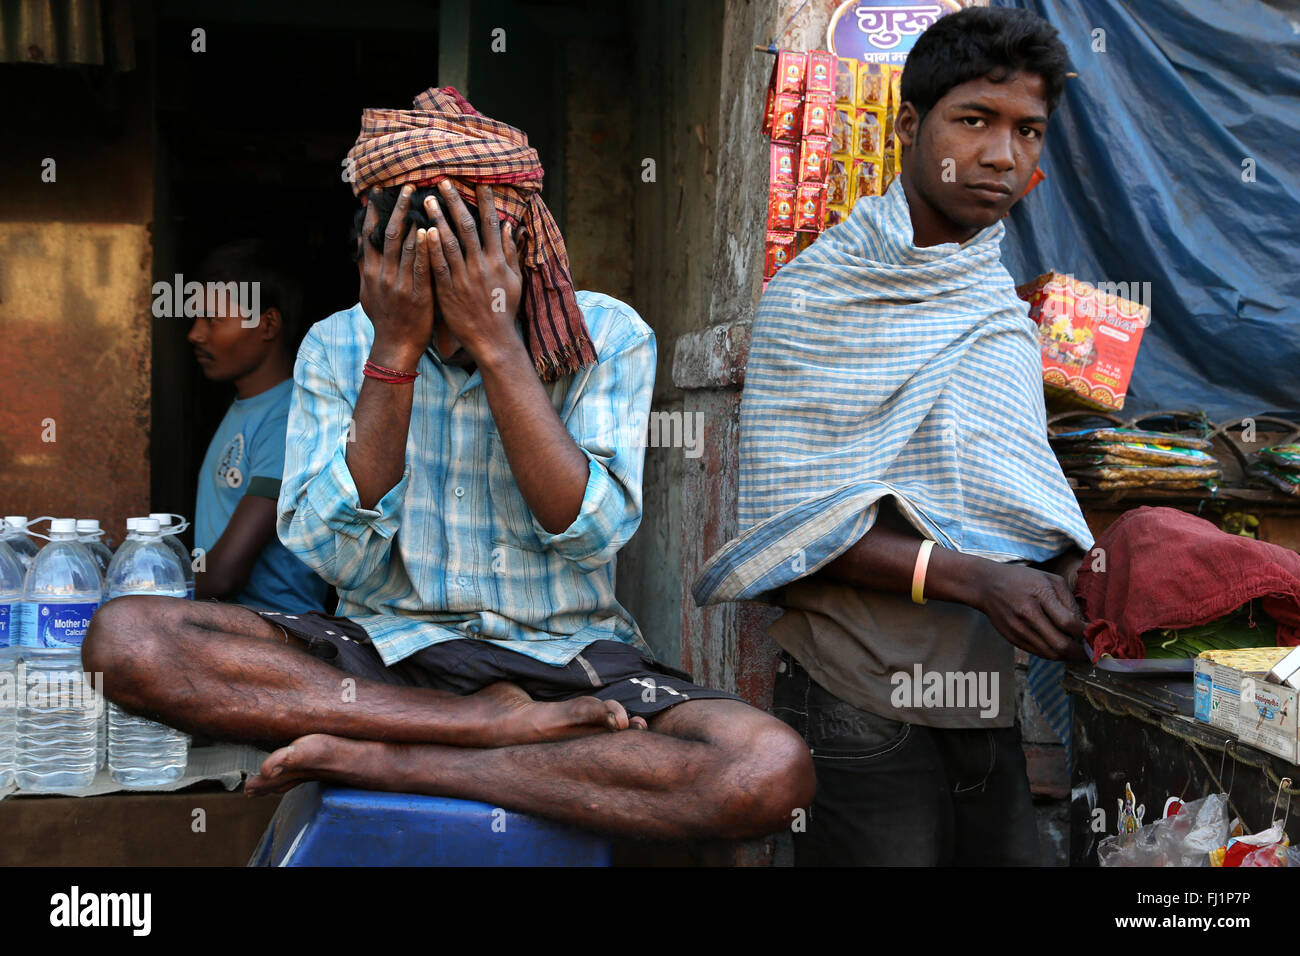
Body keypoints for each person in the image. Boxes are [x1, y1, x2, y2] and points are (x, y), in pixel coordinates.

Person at [85, 87, 814, 841]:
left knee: (765, 769)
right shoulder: (338, 344)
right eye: (409, 247)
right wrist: (392, 351)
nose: (435, 273)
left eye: (463, 246)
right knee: (127, 640)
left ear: (518, 243)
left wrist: (497, 342)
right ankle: (474, 725)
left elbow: (593, 531)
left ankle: (406, 762)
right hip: (386, 660)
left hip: (568, 657)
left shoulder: (605, 333)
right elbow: (336, 558)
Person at [693, 7, 1092, 865]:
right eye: (974, 120)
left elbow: (1013, 505)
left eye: (1028, 131)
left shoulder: (998, 309)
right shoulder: (815, 297)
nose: (1001, 155)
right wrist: (979, 580)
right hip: (857, 694)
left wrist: (1083, 572)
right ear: (912, 125)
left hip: (983, 696)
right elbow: (793, 524)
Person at [187, 240, 330, 614]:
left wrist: (137, 587)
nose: (196, 334)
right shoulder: (247, 407)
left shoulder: (287, 419)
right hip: (230, 620)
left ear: (267, 324)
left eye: (213, 319)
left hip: (272, 629)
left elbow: (224, 576)